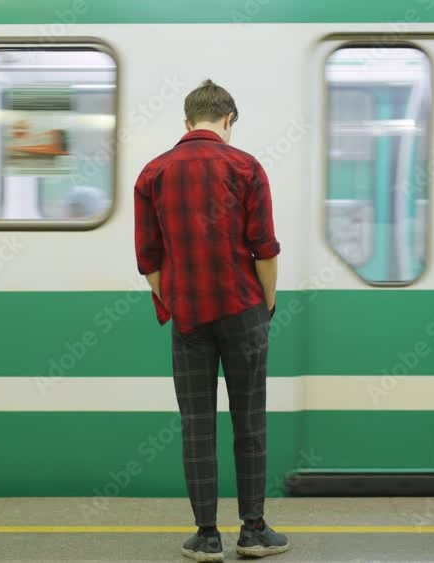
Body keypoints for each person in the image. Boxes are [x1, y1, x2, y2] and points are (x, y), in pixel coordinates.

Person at [133, 79, 288, 561]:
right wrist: (266, 303)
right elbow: (264, 246)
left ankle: (206, 536)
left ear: (186, 122)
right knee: (250, 419)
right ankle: (254, 531)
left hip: (190, 319)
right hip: (243, 311)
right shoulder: (245, 166)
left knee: (197, 423)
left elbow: (148, 260)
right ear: (229, 120)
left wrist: (176, 302)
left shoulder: (153, 173)